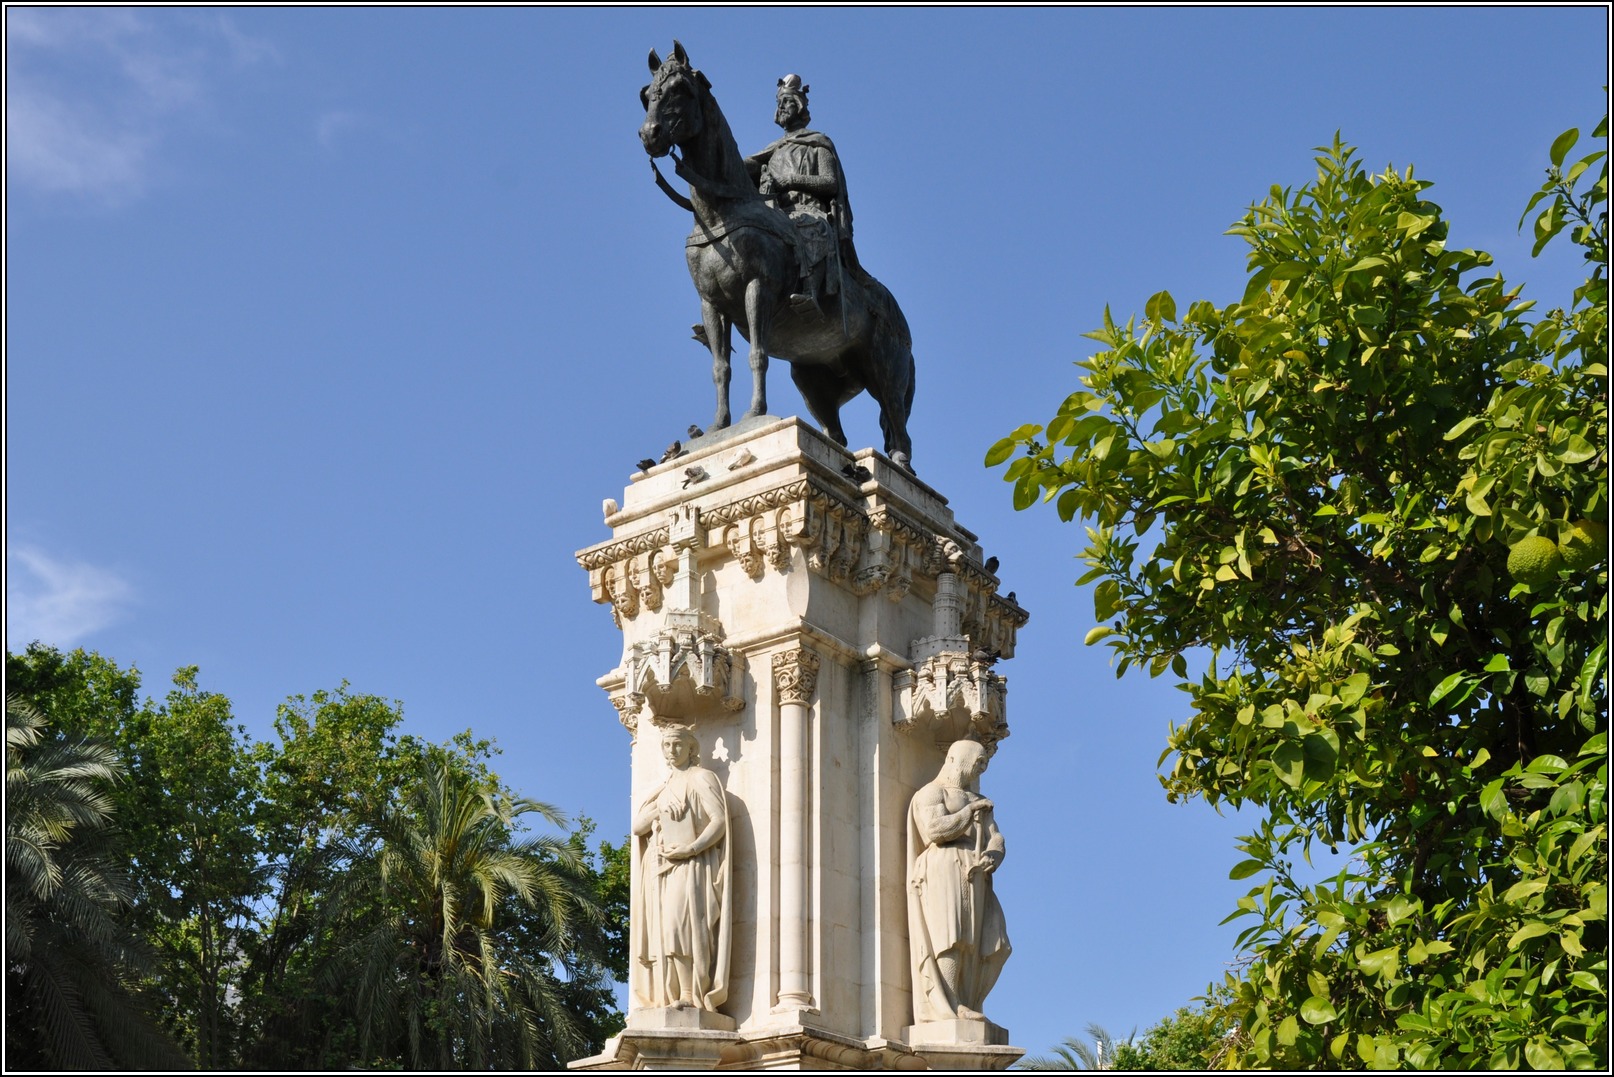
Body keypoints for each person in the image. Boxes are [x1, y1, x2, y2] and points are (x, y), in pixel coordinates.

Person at [907, 739, 1011, 1024]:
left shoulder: (978, 800)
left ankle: (971, 1001)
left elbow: (995, 835)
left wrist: (994, 853)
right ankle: (950, 1006)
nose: (980, 769)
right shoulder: (931, 792)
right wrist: (968, 814)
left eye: (984, 764)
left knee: (996, 943)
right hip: (943, 867)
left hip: (977, 873)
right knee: (951, 937)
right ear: (958, 760)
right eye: (977, 763)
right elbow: (934, 829)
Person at [631, 727, 731, 1012]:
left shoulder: (701, 778)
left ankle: (691, 993)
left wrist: (692, 848)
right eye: (666, 745)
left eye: (677, 745)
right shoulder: (663, 787)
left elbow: (719, 821)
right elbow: (638, 827)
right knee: (666, 931)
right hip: (661, 866)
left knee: (682, 927)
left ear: (691, 749)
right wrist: (658, 811)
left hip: (690, 866)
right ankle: (675, 992)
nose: (672, 750)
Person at [745, 74, 861, 311]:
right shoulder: (774, 150)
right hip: (775, 213)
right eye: (779, 104)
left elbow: (830, 183)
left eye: (786, 102)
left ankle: (810, 294)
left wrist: (790, 180)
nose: (781, 108)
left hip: (809, 210)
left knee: (814, 229)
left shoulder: (818, 143)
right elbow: (741, 169)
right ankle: (726, 301)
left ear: (798, 106)